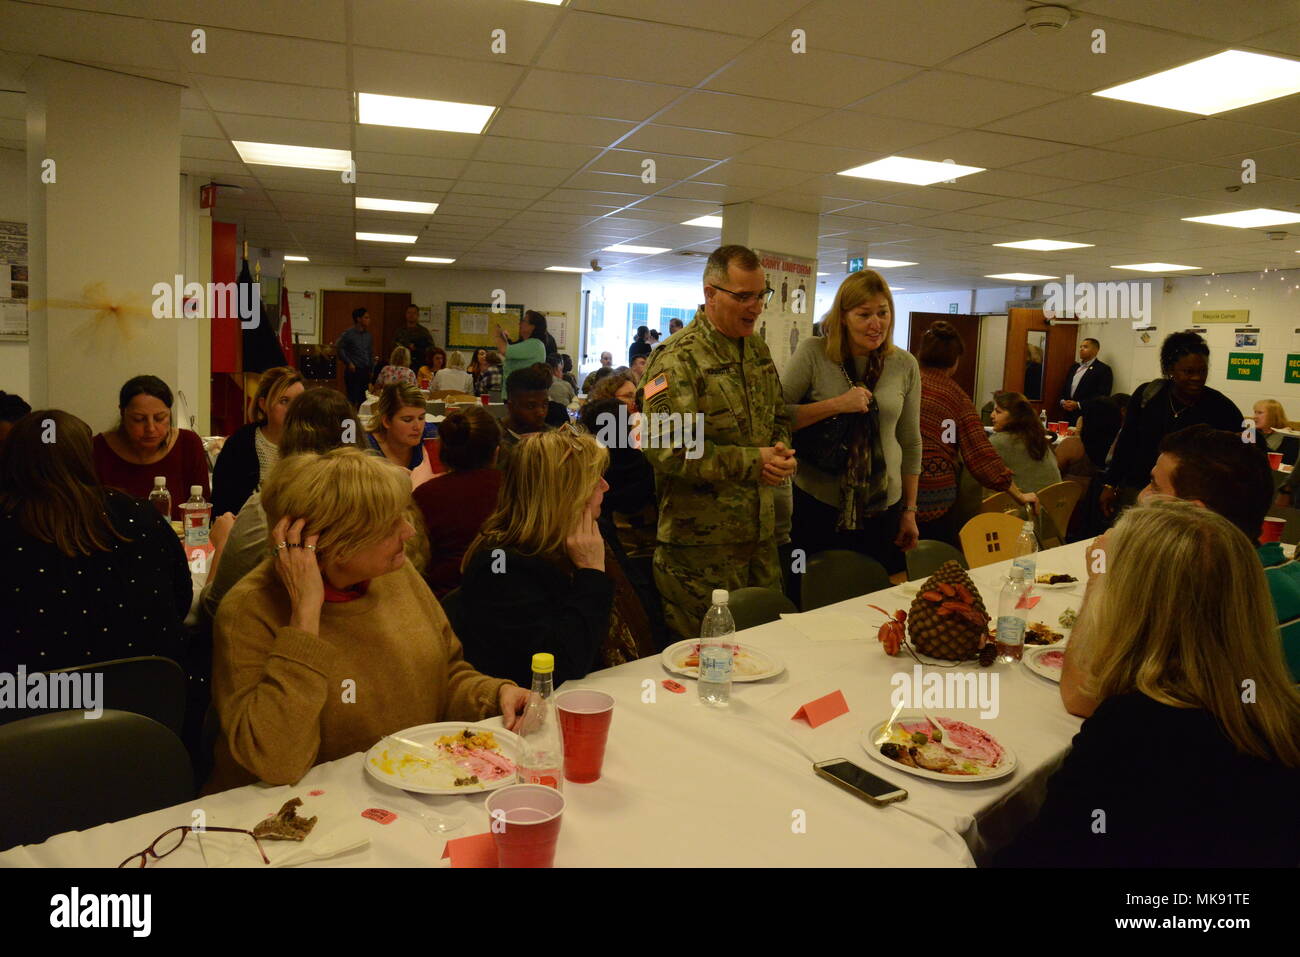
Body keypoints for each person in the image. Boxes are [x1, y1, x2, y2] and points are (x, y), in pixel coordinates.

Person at [996, 498, 1300, 867]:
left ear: (1126, 601)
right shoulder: (1278, 712)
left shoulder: (1137, 727)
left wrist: (1099, 576)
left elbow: (1042, 854)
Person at [206, 448, 527, 791]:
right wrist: (305, 616)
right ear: (334, 544)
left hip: (401, 795)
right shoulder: (250, 611)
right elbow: (279, 763)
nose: (409, 532)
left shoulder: (394, 575)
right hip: (298, 818)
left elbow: (444, 678)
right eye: (390, 524)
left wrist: (495, 695)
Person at [639, 245, 795, 639]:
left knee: (765, 651)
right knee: (702, 666)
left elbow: (778, 417)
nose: (756, 306)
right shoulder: (676, 359)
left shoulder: (756, 351)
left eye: (761, 295)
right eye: (743, 296)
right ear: (710, 294)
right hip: (699, 551)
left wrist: (779, 453)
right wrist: (753, 462)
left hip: (760, 538)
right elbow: (666, 449)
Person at [457, 428, 656, 687]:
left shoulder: (590, 529)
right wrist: (591, 574)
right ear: (565, 491)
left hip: (619, 685)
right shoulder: (500, 564)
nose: (605, 486)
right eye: (594, 479)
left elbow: (645, 615)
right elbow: (558, 668)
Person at [0, 409, 191, 676]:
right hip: (144, 700)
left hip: (26, 703)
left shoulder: (9, 525)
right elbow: (181, 600)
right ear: (84, 457)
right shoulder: (136, 515)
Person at [1117, 424, 1298, 683]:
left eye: (1155, 486)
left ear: (1193, 514)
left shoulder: (1209, 602)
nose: (1143, 496)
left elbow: (1086, 696)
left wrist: (1099, 582)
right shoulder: (1280, 573)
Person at [782, 270, 920, 579]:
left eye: (883, 313)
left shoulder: (904, 364)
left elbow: (910, 441)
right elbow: (776, 417)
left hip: (884, 505)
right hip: (818, 503)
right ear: (843, 317)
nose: (876, 324)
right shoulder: (813, 353)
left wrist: (910, 511)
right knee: (810, 590)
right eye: (864, 315)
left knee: (871, 596)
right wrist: (837, 405)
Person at [200, 387, 360, 623]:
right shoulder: (378, 502)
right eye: (284, 400)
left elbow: (217, 607)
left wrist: (223, 546)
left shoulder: (267, 508)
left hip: (276, 637)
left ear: (290, 438)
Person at [914, 322, 1037, 545]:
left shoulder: (904, 383)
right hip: (933, 497)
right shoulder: (956, 397)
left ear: (921, 354)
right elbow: (980, 454)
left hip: (892, 491)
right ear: (955, 361)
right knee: (932, 559)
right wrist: (1018, 494)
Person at [1101, 332, 1243, 520]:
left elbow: (1247, 446)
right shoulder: (1148, 396)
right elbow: (1127, 441)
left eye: (1202, 371)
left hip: (1187, 501)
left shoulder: (1220, 406)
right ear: (1170, 370)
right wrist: (1110, 484)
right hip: (1138, 488)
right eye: (1188, 371)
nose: (1197, 378)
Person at [413, 407, 503, 600]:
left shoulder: (424, 495)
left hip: (437, 603)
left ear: (441, 450)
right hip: (507, 595)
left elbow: (415, 559)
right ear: (496, 451)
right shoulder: (516, 489)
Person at [92, 375, 210, 521]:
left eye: (160, 418)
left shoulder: (188, 444)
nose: (151, 428)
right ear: (123, 413)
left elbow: (201, 512)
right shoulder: (98, 448)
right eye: (139, 419)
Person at [210, 367, 305, 517]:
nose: (294, 409)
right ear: (263, 404)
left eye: (300, 401)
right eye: (284, 401)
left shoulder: (314, 442)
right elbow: (223, 507)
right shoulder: (240, 444)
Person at [1054, 395, 1123, 539]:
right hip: (1108, 520)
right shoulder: (1120, 449)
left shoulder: (1073, 446)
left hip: (1069, 515)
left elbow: (1051, 477)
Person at [988, 391, 1061, 494]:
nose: (992, 415)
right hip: (1056, 504)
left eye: (998, 411)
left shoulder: (1000, 441)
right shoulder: (1038, 438)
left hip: (1026, 506)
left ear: (1015, 416)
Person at [364, 383, 433, 488]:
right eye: (407, 420)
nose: (418, 427)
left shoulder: (430, 435)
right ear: (387, 421)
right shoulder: (365, 448)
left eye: (421, 418)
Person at [497, 364, 553, 467]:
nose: (541, 412)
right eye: (531, 406)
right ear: (510, 406)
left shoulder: (552, 438)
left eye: (545, 404)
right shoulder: (495, 440)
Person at [1058, 337, 1112, 427]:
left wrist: (1079, 404)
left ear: (1096, 350)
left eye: (1086, 347)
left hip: (1086, 415)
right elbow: (1065, 387)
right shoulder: (1074, 367)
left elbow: (1102, 395)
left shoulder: (1103, 369)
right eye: (1081, 347)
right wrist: (1063, 401)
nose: (1081, 349)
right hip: (1068, 413)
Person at [335, 308, 374, 408]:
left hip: (365, 370)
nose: (369, 320)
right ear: (358, 319)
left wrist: (371, 368)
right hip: (353, 370)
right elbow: (339, 348)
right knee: (352, 398)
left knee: (363, 399)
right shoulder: (348, 334)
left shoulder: (368, 335)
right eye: (366, 317)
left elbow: (370, 352)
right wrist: (348, 362)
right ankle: (350, 420)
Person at [496, 312, 547, 382]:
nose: (520, 324)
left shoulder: (534, 344)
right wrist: (504, 338)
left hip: (522, 390)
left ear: (532, 327)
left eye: (524, 321)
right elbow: (511, 351)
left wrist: (497, 332)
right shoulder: (527, 343)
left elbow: (504, 350)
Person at [1254, 399, 1299, 466]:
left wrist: (1279, 435)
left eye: (1260, 413)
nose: (1254, 417)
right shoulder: (1254, 433)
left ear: (1273, 416)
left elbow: (1288, 462)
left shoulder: (1289, 436)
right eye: (1255, 412)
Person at [393, 303, 432, 374]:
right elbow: (394, 347)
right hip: (402, 365)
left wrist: (417, 349)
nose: (411, 315)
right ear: (406, 314)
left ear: (418, 315)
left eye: (414, 313)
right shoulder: (400, 331)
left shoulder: (423, 331)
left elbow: (431, 349)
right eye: (409, 313)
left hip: (419, 364)